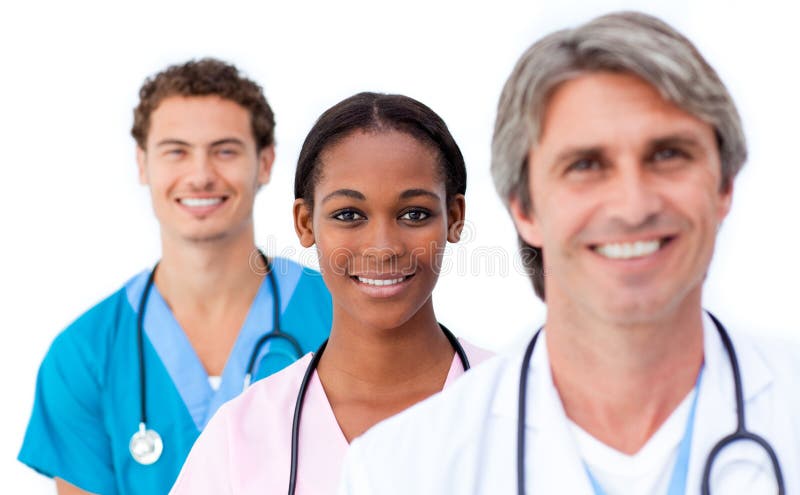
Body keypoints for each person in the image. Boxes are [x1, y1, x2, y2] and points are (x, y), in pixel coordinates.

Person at [338, 12, 800, 495]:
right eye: (585, 165)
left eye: (668, 155)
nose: (633, 206)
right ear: (524, 207)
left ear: (724, 185)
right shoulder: (398, 471)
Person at [18, 59, 332, 495]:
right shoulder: (85, 354)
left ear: (265, 162)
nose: (201, 175)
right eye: (176, 151)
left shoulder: (342, 315)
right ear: (142, 163)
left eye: (225, 150)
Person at [168, 92, 493, 495]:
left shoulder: (524, 404)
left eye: (414, 214)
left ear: (455, 219)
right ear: (305, 224)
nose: (383, 247)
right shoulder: (240, 438)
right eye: (349, 215)